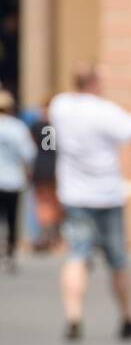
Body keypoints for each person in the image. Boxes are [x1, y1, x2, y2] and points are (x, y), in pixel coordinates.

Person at [49, 64, 131, 342]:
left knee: (77, 256)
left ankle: (73, 317)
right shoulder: (105, 111)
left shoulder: (60, 106)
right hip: (107, 195)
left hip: (75, 195)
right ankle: (127, 318)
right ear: (94, 83)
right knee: (118, 260)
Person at [0, 87, 35, 271]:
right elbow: (28, 153)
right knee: (12, 219)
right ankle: (10, 253)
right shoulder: (17, 127)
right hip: (12, 180)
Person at [25, 99, 61, 251]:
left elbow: (29, 147)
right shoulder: (54, 127)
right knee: (52, 201)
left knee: (42, 202)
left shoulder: (36, 126)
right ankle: (51, 234)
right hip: (53, 166)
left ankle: (45, 233)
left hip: (39, 167)